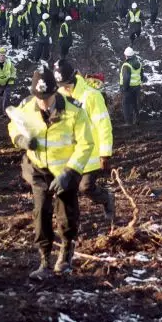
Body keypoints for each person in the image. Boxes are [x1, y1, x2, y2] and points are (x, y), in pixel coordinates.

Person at [7, 66, 94, 280]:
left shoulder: (74, 111)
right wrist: (20, 140)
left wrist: (69, 172)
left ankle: (66, 250)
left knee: (66, 213)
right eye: (39, 98)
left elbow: (86, 144)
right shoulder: (26, 106)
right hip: (38, 168)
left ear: (56, 91)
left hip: (65, 170)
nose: (43, 103)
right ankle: (44, 258)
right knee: (41, 212)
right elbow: (13, 127)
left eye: (47, 98)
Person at [54, 60, 116, 222]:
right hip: (72, 153)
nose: (64, 88)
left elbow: (103, 125)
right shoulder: (60, 96)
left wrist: (105, 154)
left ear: (74, 77)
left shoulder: (92, 96)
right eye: (62, 85)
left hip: (91, 153)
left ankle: (107, 198)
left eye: (67, 84)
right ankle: (71, 221)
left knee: (86, 187)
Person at [119, 47, 145, 125]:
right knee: (135, 104)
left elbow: (126, 78)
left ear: (126, 55)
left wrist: (124, 88)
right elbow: (141, 75)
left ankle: (128, 122)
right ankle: (137, 120)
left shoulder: (126, 65)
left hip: (128, 88)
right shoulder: (139, 63)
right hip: (137, 87)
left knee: (126, 105)